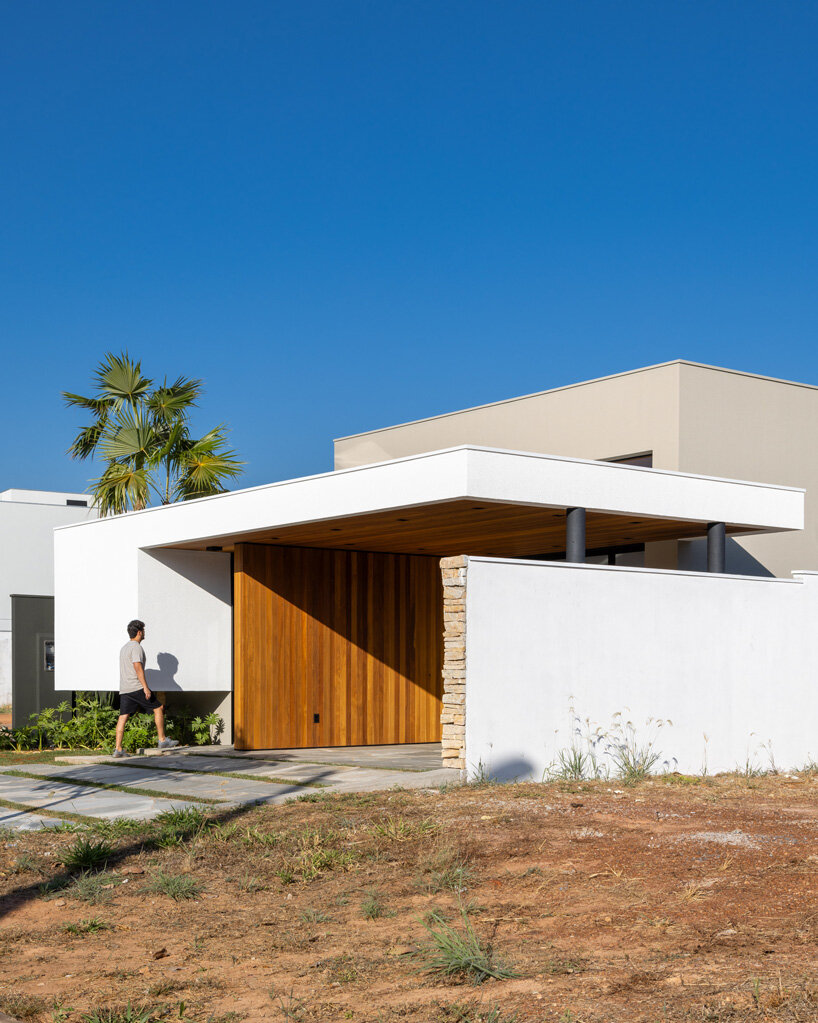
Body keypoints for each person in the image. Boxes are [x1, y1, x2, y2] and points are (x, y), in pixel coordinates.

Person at [114, 620, 179, 758]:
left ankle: (118, 749)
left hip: (125, 688)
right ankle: (162, 740)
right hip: (136, 687)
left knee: (123, 717)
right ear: (139, 632)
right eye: (143, 630)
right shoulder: (136, 647)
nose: (144, 633)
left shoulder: (124, 648)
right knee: (158, 708)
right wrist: (145, 687)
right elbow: (137, 667)